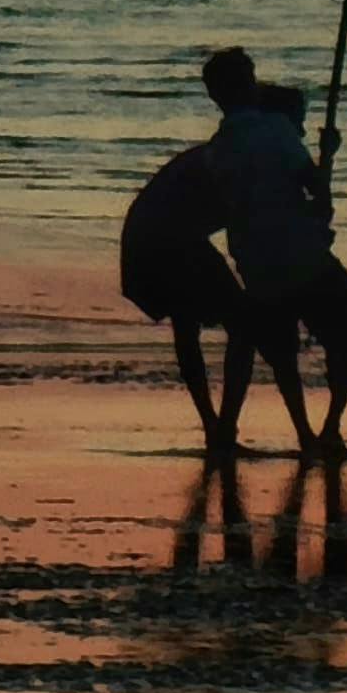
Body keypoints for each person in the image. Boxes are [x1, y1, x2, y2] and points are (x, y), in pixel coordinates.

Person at [204, 45, 347, 454]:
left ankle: (305, 433)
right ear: (247, 85)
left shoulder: (217, 149)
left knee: (282, 352)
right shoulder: (276, 131)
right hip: (304, 258)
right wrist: (328, 155)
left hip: (257, 267)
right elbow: (320, 197)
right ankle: (328, 428)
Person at [121, 66, 264, 453]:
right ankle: (222, 430)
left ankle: (216, 428)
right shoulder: (240, 142)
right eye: (250, 79)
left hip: (154, 233)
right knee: (241, 325)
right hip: (166, 236)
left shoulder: (233, 139)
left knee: (189, 326)